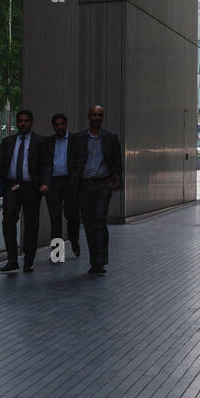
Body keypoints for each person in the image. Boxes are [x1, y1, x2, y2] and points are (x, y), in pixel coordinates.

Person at [70, 105, 123, 276]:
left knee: (100, 220)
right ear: (89, 117)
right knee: (89, 223)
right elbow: (73, 162)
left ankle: (99, 261)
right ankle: (95, 260)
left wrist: (113, 180)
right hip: (85, 185)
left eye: (99, 115)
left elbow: (117, 162)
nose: (96, 118)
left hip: (103, 185)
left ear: (103, 117)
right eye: (94, 115)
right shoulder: (78, 139)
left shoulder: (110, 138)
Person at [0, 110, 45, 273]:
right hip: (11, 186)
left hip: (31, 187)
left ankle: (29, 260)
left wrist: (44, 184)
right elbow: (0, 165)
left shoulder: (40, 141)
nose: (23, 124)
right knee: (8, 220)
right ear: (17, 122)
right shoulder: (8, 141)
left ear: (31, 122)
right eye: (20, 121)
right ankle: (12, 259)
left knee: (31, 224)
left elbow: (45, 165)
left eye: (26, 121)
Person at [40, 113, 81, 258]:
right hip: (53, 184)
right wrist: (45, 183)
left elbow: (78, 164)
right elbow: (45, 164)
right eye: (56, 125)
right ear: (53, 127)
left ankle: (74, 241)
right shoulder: (48, 142)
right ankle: (57, 253)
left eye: (62, 124)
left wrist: (74, 182)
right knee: (55, 219)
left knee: (73, 217)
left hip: (70, 183)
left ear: (66, 124)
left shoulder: (75, 140)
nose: (59, 127)